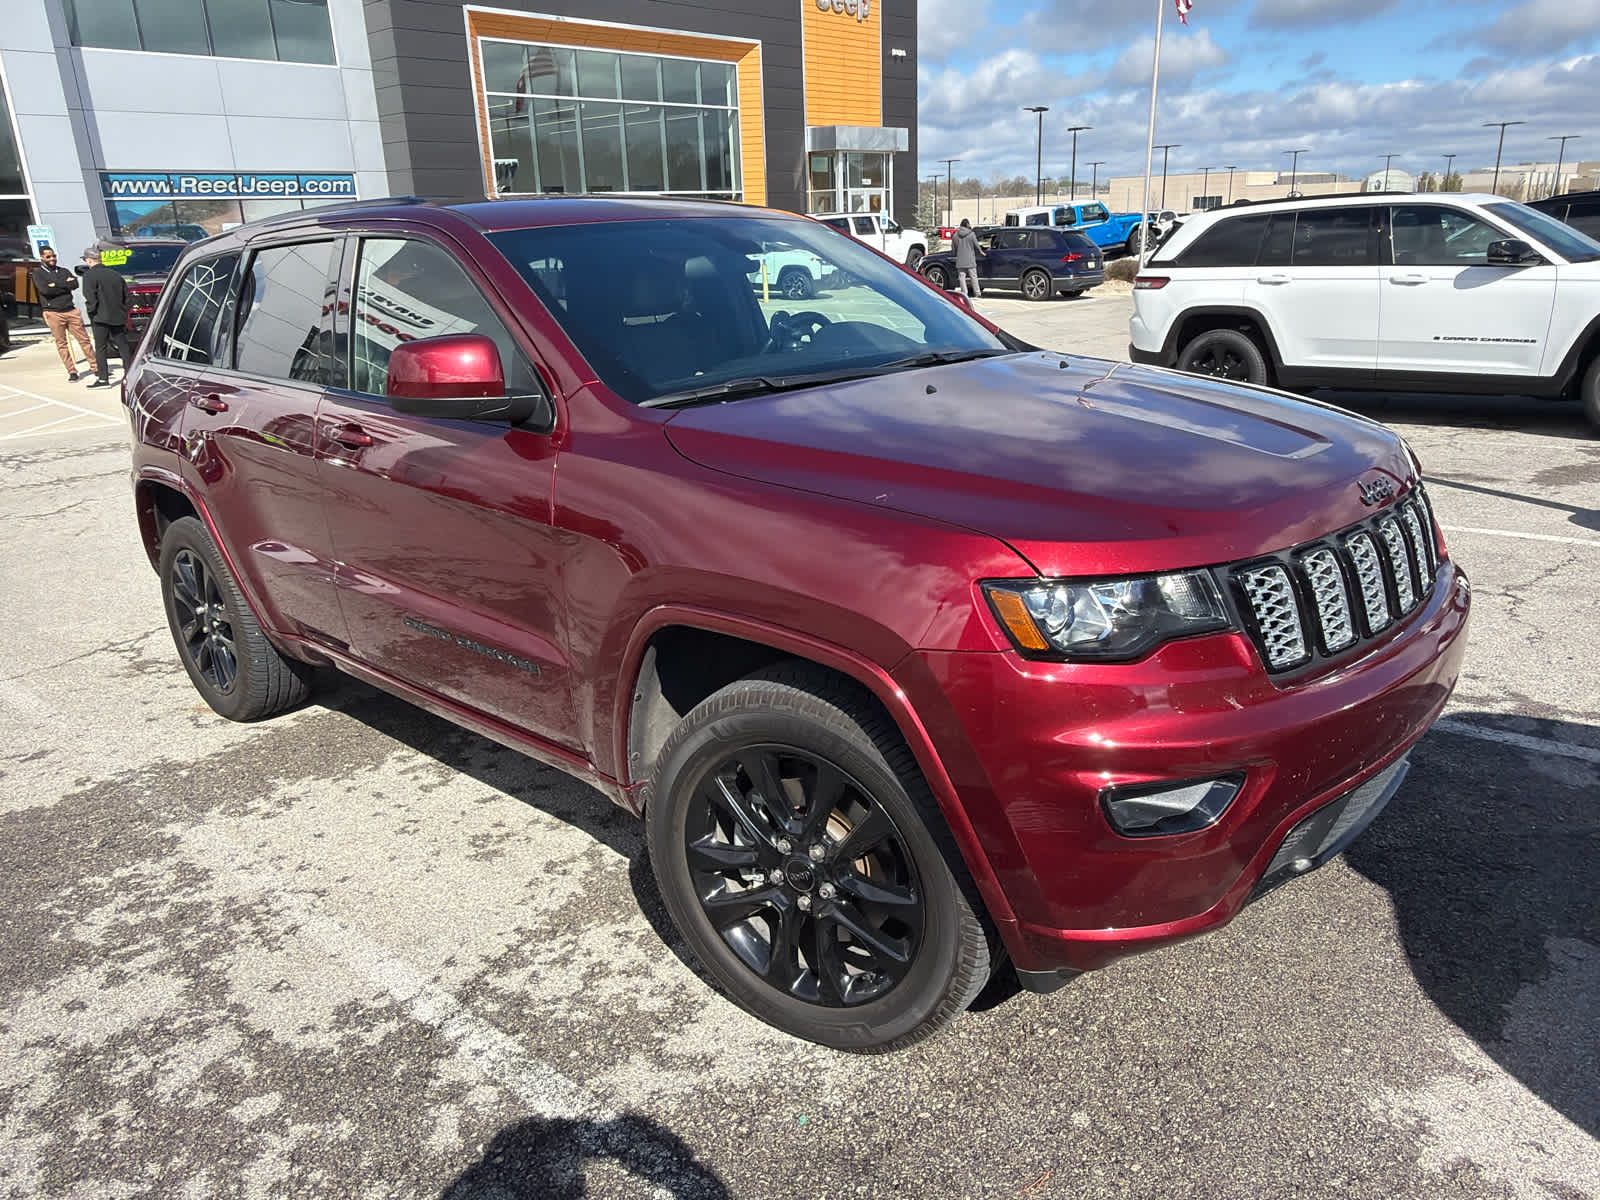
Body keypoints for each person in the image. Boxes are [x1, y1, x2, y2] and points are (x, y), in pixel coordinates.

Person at [30, 247, 95, 381]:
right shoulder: (38, 274)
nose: (52, 259)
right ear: (42, 258)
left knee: (84, 340)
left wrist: (56, 285)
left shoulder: (63, 270)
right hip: (53, 313)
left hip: (71, 311)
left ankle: (96, 367)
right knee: (62, 343)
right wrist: (64, 284)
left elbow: (75, 283)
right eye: (48, 257)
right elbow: (45, 290)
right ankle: (72, 371)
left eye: (53, 256)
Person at [80, 246, 133, 388]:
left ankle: (103, 379)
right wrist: (123, 311)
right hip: (117, 316)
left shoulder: (89, 276)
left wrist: (92, 312)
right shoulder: (115, 274)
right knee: (123, 346)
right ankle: (130, 375)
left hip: (100, 317)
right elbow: (127, 297)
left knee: (101, 347)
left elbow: (90, 297)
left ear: (89, 260)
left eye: (86, 260)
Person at [953, 218, 985, 299]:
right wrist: (981, 251)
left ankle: (964, 293)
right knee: (973, 277)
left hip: (960, 259)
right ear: (967, 224)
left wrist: (955, 255)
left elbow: (954, 248)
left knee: (961, 277)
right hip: (970, 259)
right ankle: (977, 293)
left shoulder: (955, 235)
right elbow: (976, 245)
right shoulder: (971, 234)